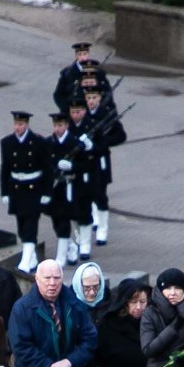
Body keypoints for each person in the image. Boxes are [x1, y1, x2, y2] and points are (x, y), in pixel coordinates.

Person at [0, 110, 52, 272]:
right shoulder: (7, 142)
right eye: (16, 124)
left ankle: (26, 261)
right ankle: (33, 257)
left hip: (33, 188)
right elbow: (5, 168)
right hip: (16, 188)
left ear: (27, 124)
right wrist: (4, 191)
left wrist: (47, 192)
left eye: (21, 124)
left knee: (30, 225)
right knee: (21, 226)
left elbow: (47, 168)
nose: (18, 127)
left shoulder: (38, 142)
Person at [76, 86, 128, 248]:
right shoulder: (80, 114)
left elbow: (120, 136)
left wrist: (101, 143)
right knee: (84, 193)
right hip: (83, 162)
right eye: (89, 98)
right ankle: (91, 220)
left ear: (99, 98)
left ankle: (102, 230)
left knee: (100, 194)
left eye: (94, 98)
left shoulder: (106, 114)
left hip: (99, 161)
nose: (91, 101)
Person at [43, 110, 89, 264]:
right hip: (54, 188)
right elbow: (43, 162)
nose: (57, 128)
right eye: (55, 125)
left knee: (64, 220)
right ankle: (70, 245)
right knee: (56, 221)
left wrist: (72, 166)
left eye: (60, 125)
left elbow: (85, 165)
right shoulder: (48, 143)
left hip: (70, 187)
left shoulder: (74, 143)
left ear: (67, 126)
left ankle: (61, 257)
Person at [53, 39, 103, 111]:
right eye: (80, 54)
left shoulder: (97, 72)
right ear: (76, 56)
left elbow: (103, 92)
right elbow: (58, 95)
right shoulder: (67, 73)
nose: (83, 57)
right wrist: (66, 109)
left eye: (85, 54)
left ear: (88, 55)